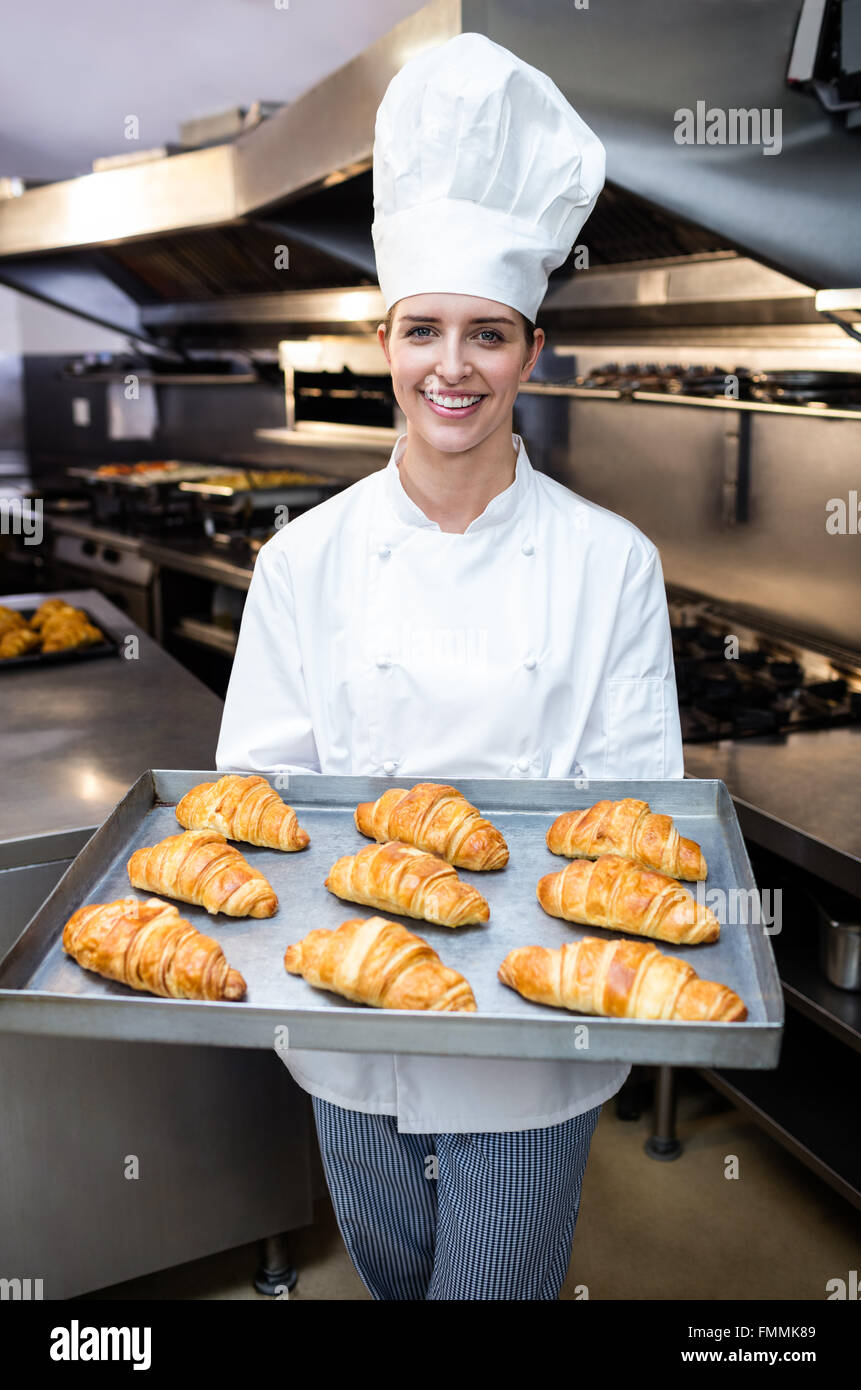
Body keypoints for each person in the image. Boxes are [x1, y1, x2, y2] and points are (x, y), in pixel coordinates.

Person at [216, 32, 684, 1300]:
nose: (452, 367)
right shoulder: (304, 563)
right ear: (386, 343)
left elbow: (634, 813)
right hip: (346, 1027)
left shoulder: (610, 564)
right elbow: (257, 806)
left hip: (529, 1042)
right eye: (424, 330)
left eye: (487, 334)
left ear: (530, 352)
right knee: (389, 1281)